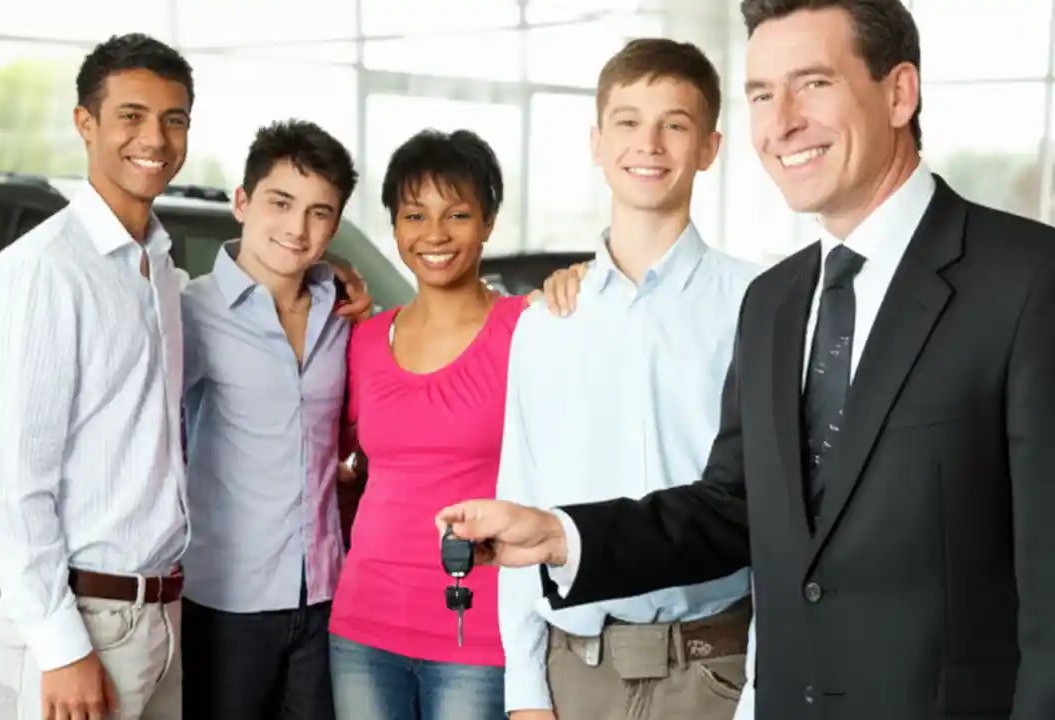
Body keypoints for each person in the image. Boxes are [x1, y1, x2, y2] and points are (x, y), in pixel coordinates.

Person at [437, 1, 1055, 718]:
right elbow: (731, 509)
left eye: (814, 83)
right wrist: (561, 535)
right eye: (762, 92)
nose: (782, 120)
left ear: (899, 93)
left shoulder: (1027, 280)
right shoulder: (775, 302)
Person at [0, 35, 372, 720]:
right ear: (84, 122)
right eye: (130, 114)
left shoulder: (154, 271)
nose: (153, 136)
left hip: (160, 614)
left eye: (174, 118)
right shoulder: (41, 272)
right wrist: (62, 648)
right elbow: (9, 491)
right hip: (84, 616)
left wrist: (333, 277)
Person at [496, 38, 761, 720]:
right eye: (628, 120)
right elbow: (521, 492)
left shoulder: (758, 305)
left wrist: (761, 685)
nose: (650, 142)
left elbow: (777, 508)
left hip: (716, 670)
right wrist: (525, 691)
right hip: (575, 671)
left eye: (675, 123)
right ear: (596, 140)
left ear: (709, 146)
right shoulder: (549, 320)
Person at [327, 129, 527, 720]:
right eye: (415, 214)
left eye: (457, 214)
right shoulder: (364, 340)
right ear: (394, 226)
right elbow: (337, 464)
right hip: (363, 625)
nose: (434, 235)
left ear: (487, 223)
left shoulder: (527, 329)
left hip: (479, 635)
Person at [178, 118, 359, 720]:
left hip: (327, 596)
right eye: (281, 203)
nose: (297, 228)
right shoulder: (191, 312)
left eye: (319, 212)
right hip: (226, 599)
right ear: (242, 201)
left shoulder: (345, 313)